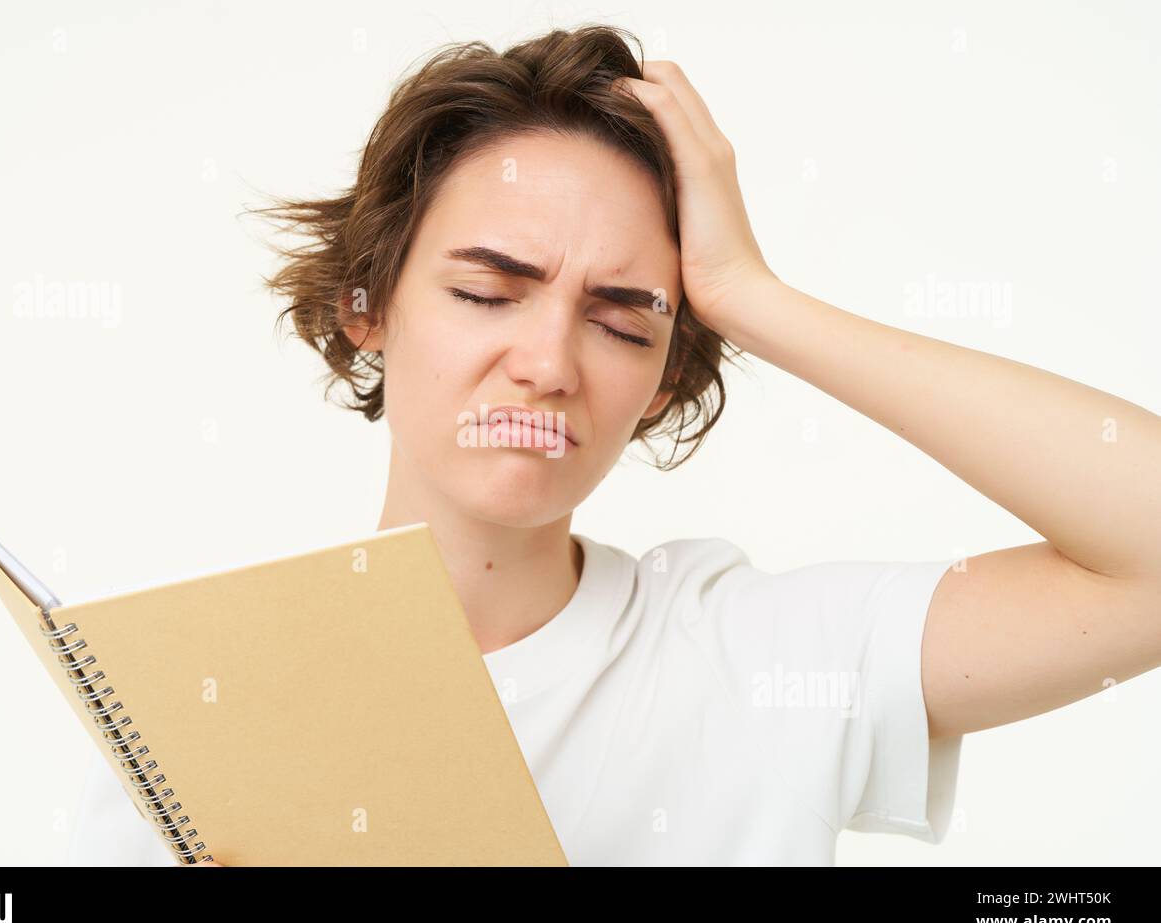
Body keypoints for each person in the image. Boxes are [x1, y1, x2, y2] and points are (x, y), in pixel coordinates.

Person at [67, 24, 1161, 867]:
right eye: (488, 290)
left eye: (622, 320)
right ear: (366, 307)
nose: (547, 360)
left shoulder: (756, 659)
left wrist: (750, 296)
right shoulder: (193, 705)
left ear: (663, 379)